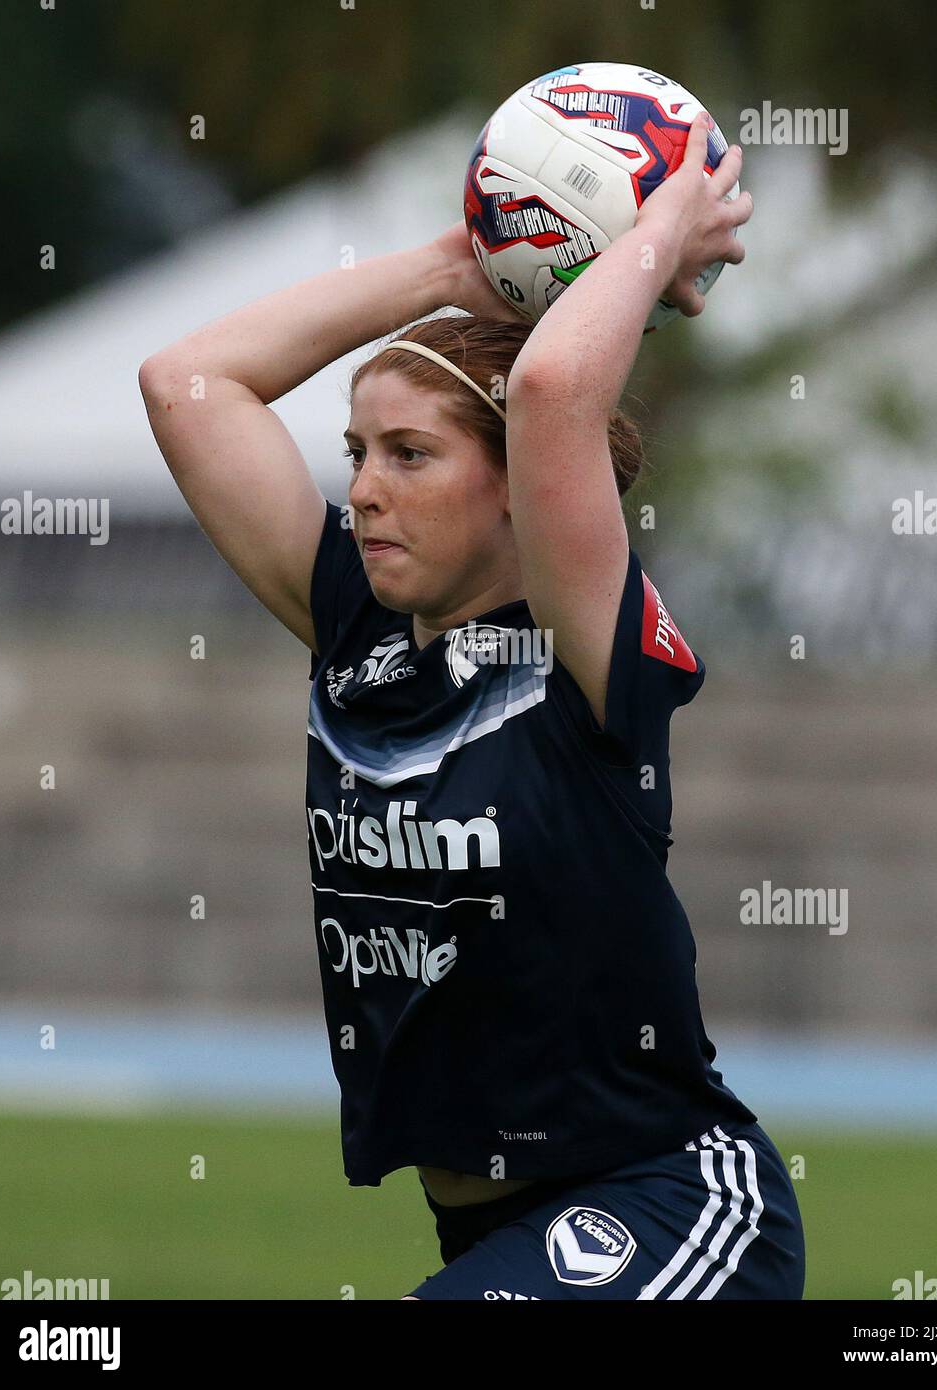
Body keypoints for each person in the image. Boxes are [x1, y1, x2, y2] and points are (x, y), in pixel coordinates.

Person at [139, 112, 805, 1300]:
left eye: (410, 454)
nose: (362, 489)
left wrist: (653, 232)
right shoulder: (355, 632)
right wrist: (456, 267)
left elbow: (552, 389)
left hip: (670, 1202)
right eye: (356, 452)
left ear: (516, 491)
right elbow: (185, 384)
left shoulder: (580, 651)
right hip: (498, 1234)